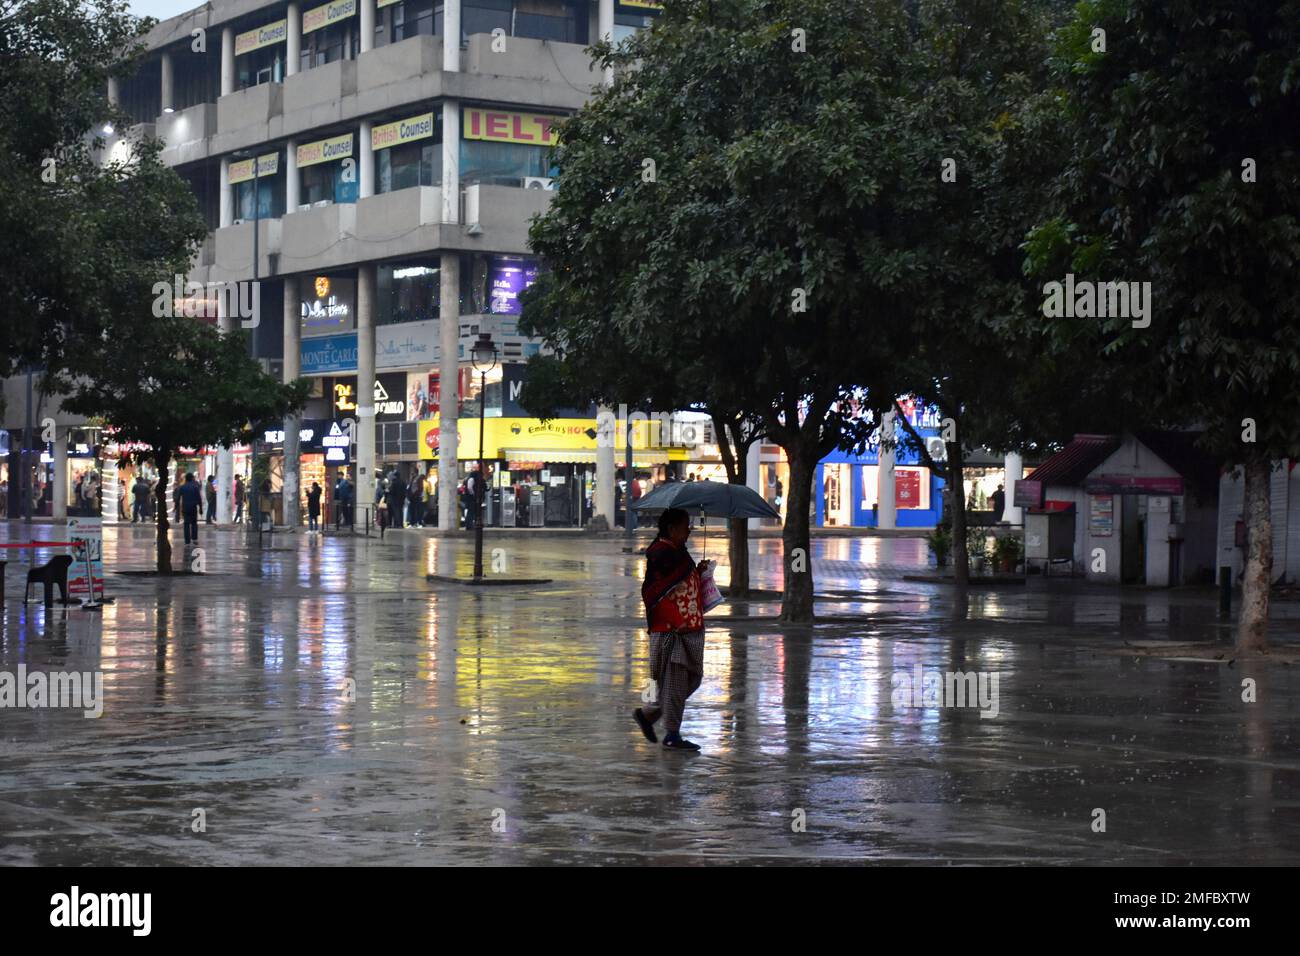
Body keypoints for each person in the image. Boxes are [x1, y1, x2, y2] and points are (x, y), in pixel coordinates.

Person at [633, 507, 710, 752]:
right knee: (677, 681)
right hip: (672, 629)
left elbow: (682, 580)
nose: (689, 530)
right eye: (685, 525)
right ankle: (672, 734)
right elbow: (658, 591)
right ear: (672, 528)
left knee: (691, 678)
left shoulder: (678, 552)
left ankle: (649, 714)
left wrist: (698, 572)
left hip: (686, 627)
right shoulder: (661, 553)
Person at [179, 472, 203, 545]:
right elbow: (199, 498)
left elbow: (178, 498)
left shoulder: (182, 487)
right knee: (194, 523)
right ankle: (194, 538)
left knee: (186, 524)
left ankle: (187, 541)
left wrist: (176, 506)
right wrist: (200, 508)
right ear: (192, 478)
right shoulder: (195, 487)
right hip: (193, 507)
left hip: (185, 507)